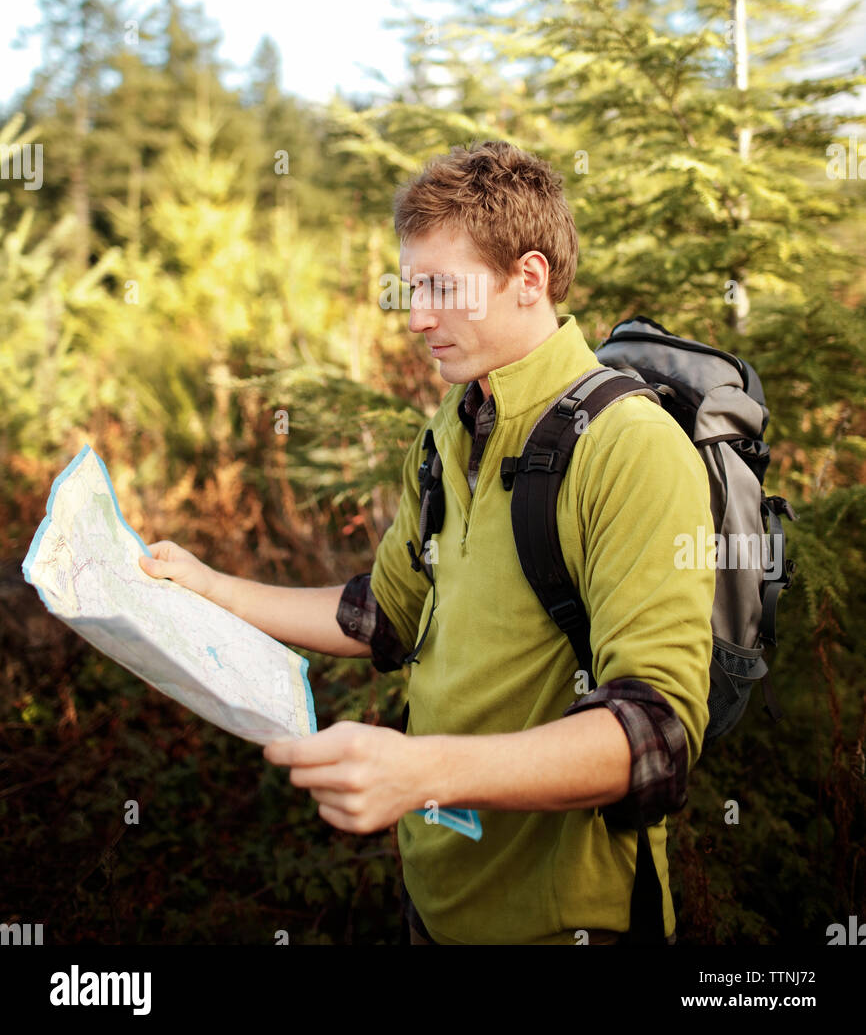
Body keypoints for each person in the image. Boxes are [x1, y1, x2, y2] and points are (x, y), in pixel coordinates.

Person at [140, 140, 715, 946]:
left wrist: (420, 771)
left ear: (529, 278)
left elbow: (654, 738)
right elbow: (383, 615)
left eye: (443, 288)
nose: (417, 318)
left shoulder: (631, 447)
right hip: (435, 902)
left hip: (566, 924)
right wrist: (209, 587)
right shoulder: (452, 425)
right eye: (414, 288)